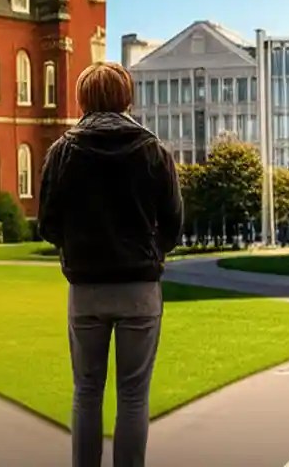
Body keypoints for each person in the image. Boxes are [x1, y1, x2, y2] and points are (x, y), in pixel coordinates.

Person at [38, 62, 184, 467]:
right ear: (127, 98)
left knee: (87, 391)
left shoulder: (63, 151)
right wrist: (153, 254)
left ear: (82, 99)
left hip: (85, 289)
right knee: (133, 396)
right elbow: (173, 220)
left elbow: (47, 222)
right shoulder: (154, 150)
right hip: (139, 288)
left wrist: (75, 250)